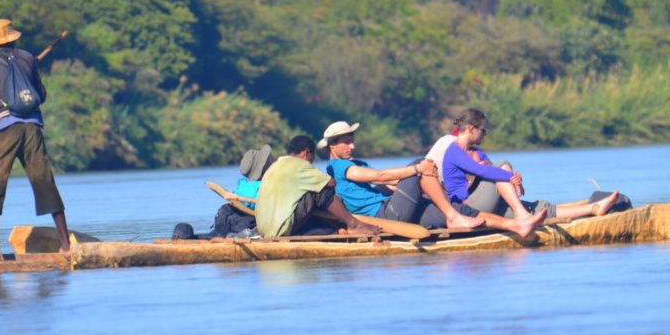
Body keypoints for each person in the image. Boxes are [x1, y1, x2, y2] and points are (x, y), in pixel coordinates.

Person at [0, 19, 71, 260]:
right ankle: (66, 246)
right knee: (44, 180)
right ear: (14, 38)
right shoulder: (27, 57)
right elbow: (42, 95)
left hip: (6, 129)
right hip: (33, 127)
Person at [435, 108, 620, 225]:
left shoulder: (477, 151)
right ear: (470, 129)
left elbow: (493, 169)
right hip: (468, 207)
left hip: (485, 202)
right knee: (502, 166)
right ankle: (521, 214)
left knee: (536, 207)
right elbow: (482, 171)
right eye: (483, 130)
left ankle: (593, 209)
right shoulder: (453, 150)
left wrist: (514, 178)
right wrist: (508, 176)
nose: (485, 134)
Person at [320, 121, 483, 230]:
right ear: (333, 145)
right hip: (385, 215)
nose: (353, 146)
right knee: (419, 164)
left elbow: (391, 181)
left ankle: (456, 213)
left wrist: (424, 184)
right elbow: (381, 176)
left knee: (420, 176)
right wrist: (418, 169)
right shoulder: (338, 166)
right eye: (347, 142)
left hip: (389, 206)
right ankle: (452, 213)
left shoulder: (357, 163)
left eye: (352, 140)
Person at [255, 135, 378, 238]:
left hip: (264, 230)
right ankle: (354, 225)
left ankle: (327, 228)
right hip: (281, 229)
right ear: (307, 152)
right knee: (322, 190)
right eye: (312, 157)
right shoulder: (300, 165)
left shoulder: (275, 166)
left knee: (312, 190)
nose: (312, 161)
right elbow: (330, 183)